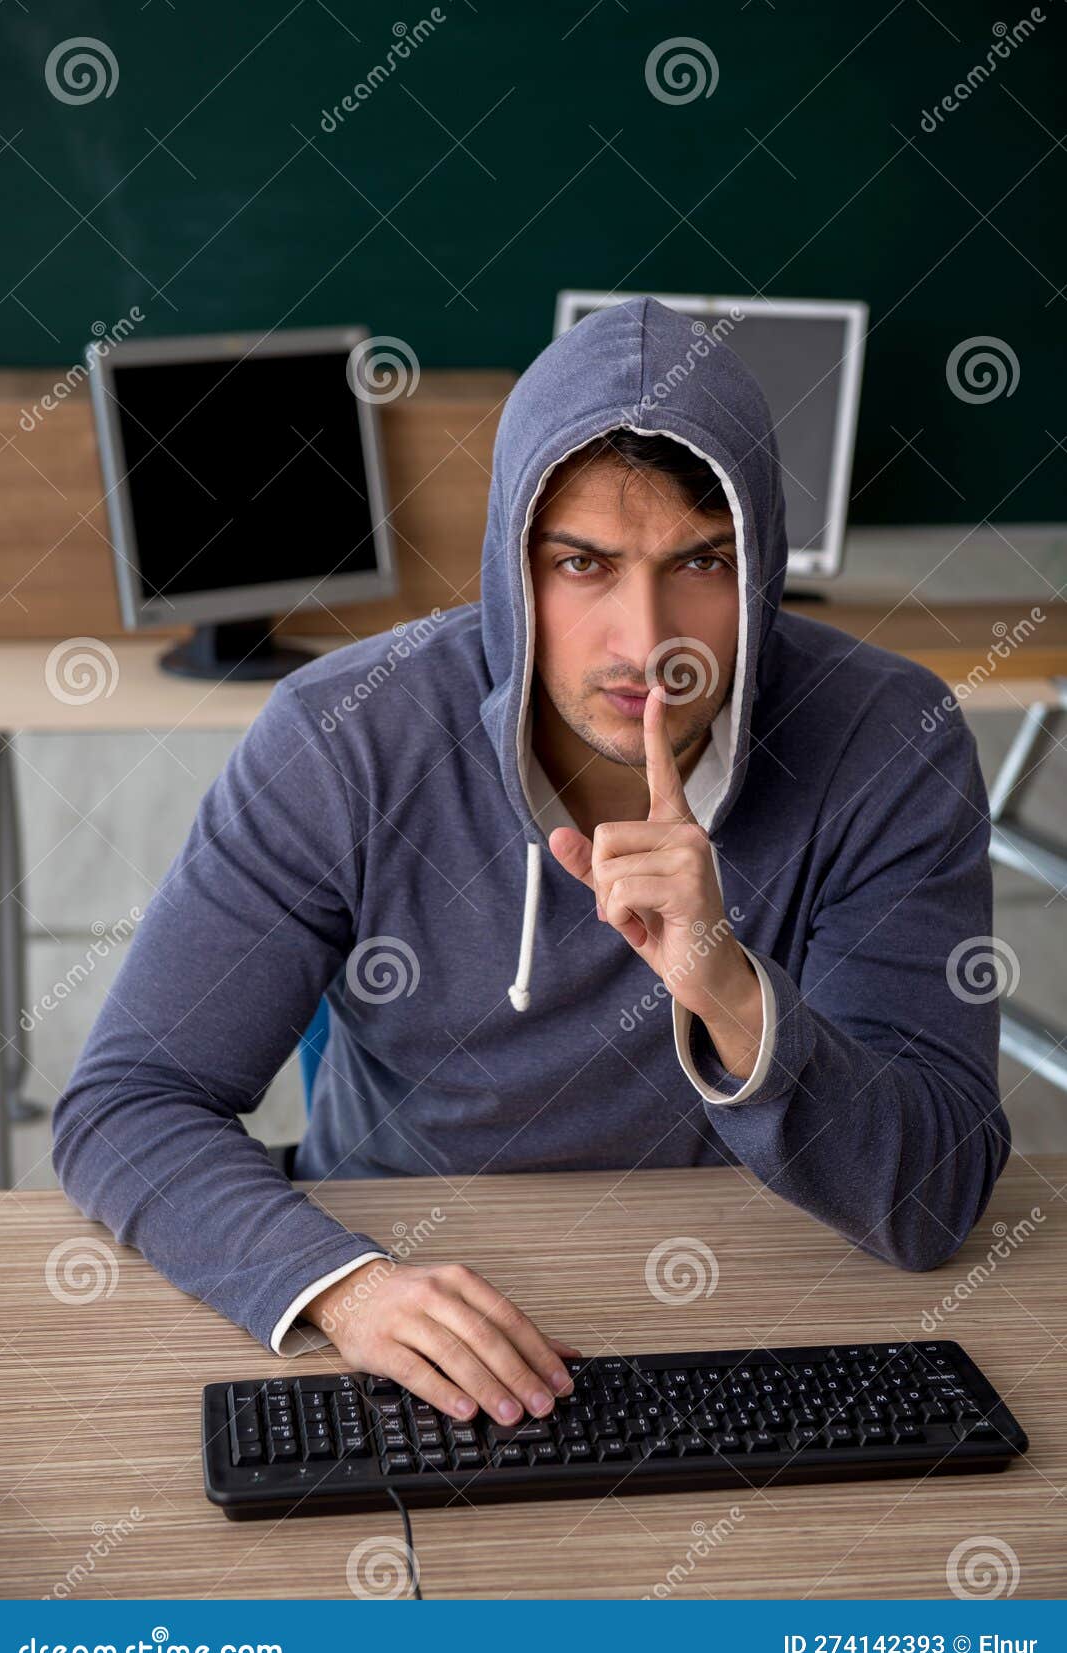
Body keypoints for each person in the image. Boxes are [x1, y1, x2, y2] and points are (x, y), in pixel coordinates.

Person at [53, 297, 1009, 1431]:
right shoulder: (344, 735)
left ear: (757, 562)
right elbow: (126, 1103)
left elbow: (933, 1196)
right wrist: (346, 1289)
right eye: (584, 565)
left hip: (746, 1288)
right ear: (514, 566)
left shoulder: (888, 736)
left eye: (700, 562)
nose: (645, 639)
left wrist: (731, 992)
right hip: (416, 1289)